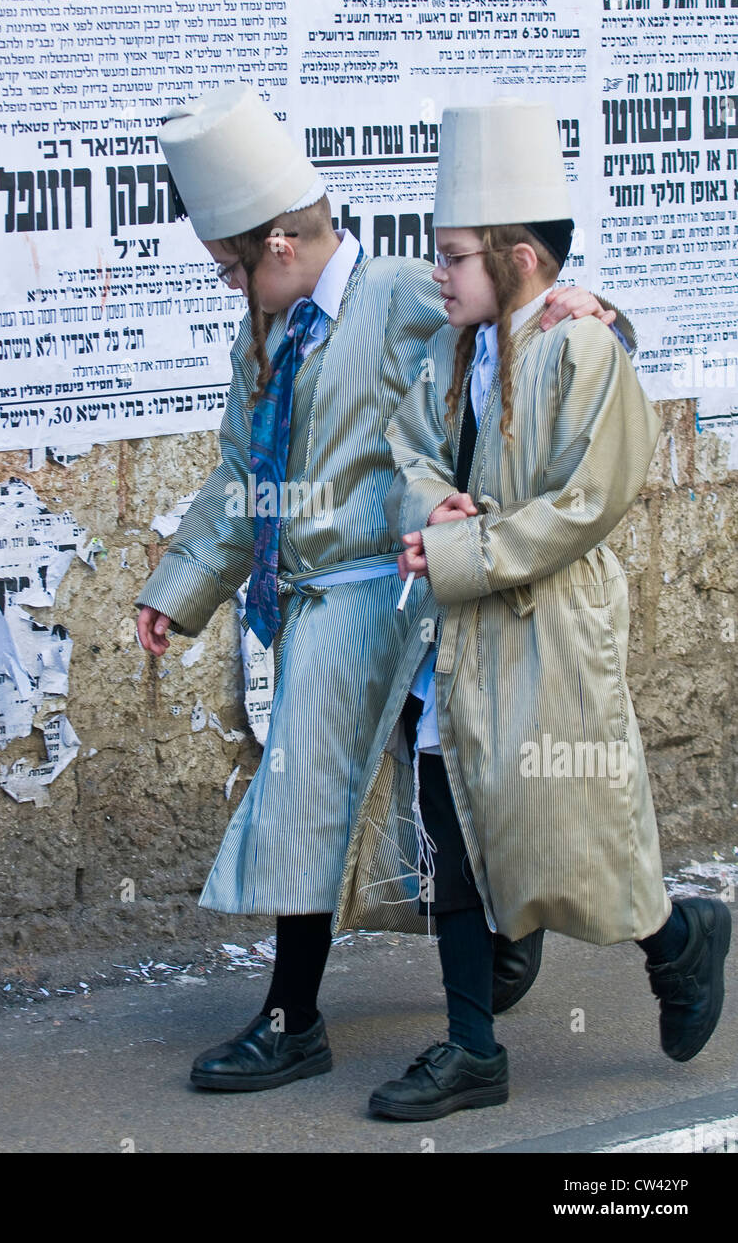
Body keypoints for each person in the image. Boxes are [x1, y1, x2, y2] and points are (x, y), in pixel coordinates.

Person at [136, 83, 630, 1092]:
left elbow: (527, 341)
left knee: (379, 794)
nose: (230, 286)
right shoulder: (267, 337)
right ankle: (424, 963)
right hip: (321, 598)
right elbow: (246, 476)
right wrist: (179, 585)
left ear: (278, 244)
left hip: (402, 591)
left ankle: (337, 1002)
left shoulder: (407, 290)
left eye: (231, 266)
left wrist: (602, 309)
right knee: (351, 800)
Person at [335, 99, 731, 1122]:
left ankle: (677, 939)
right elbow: (408, 452)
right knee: (449, 810)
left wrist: (460, 549)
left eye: (456, 256)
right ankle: (473, 1044)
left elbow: (585, 504)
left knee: (578, 823)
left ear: (515, 256)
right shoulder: (449, 348)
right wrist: (431, 503)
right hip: (459, 633)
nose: (439, 272)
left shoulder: (584, 353)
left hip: (545, 628)